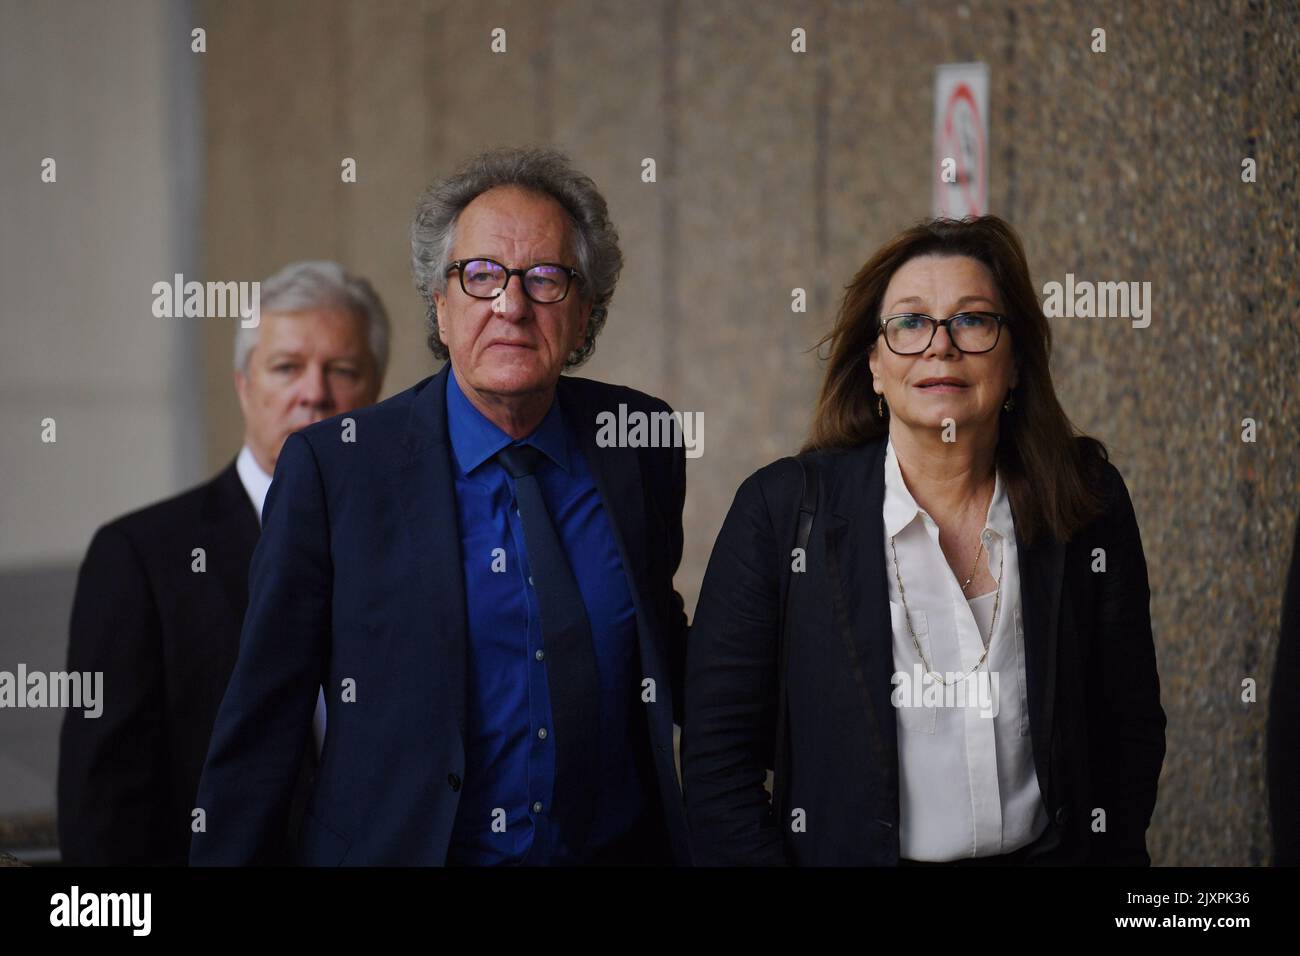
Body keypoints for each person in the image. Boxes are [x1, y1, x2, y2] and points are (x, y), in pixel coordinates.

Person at [190, 147, 691, 866]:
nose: (510, 306)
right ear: (440, 303)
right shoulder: (337, 468)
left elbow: (659, 638)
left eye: (546, 279)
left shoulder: (639, 441)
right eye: (481, 275)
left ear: (587, 314)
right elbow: (263, 719)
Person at [683, 216, 1167, 866]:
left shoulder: (1085, 502)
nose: (941, 346)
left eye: (973, 320)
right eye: (910, 323)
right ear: (875, 366)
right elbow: (718, 764)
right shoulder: (781, 512)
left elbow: (1129, 728)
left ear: (1016, 361)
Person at [58, 260, 389, 865]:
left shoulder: (412, 543)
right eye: (286, 367)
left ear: (376, 391)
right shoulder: (139, 558)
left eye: (342, 369)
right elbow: (104, 812)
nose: (314, 391)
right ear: (244, 384)